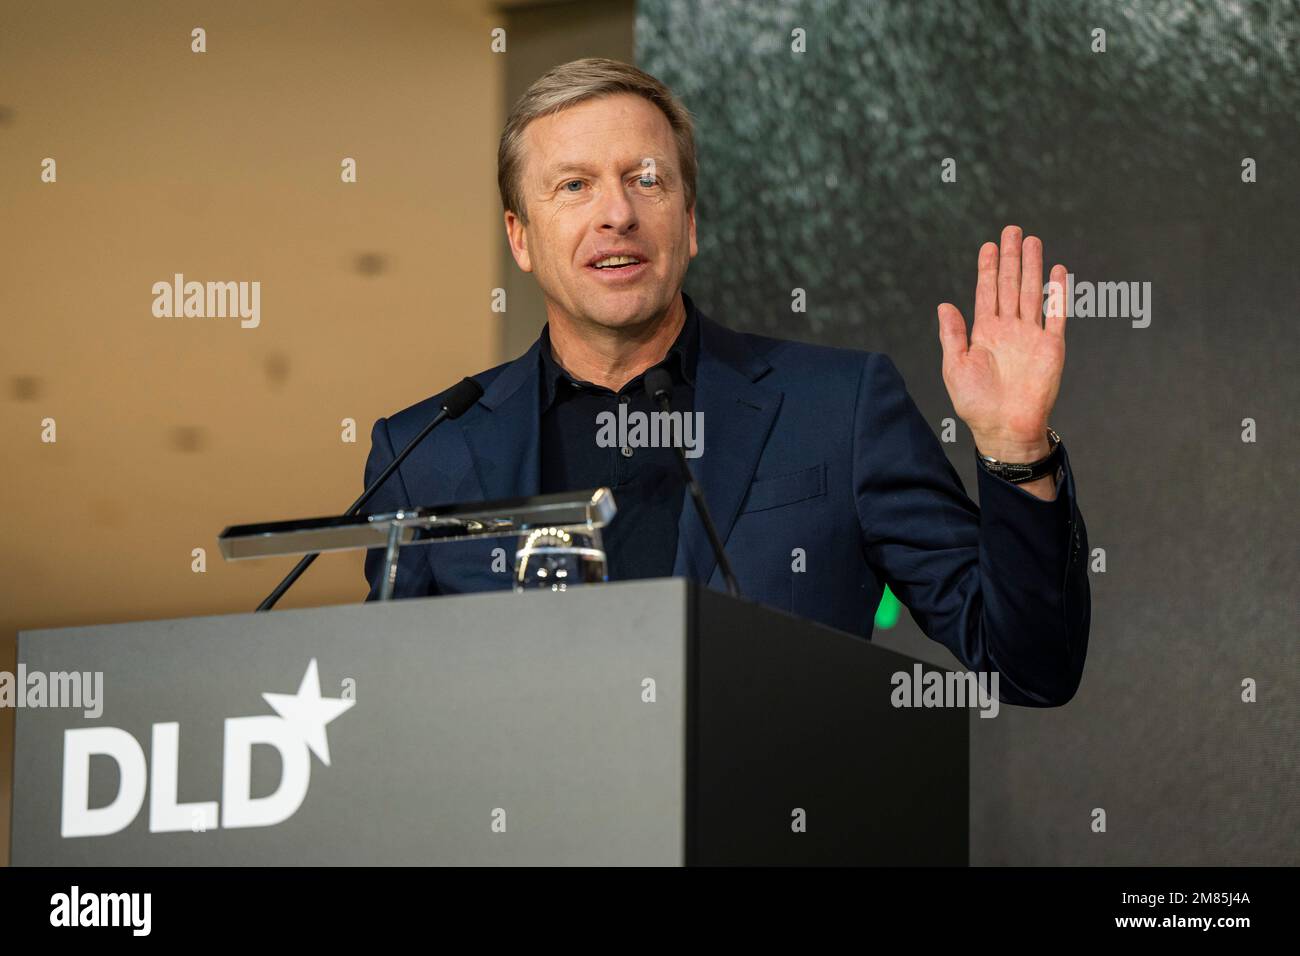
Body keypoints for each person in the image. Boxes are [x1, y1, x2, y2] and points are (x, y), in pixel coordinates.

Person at [363, 58, 1089, 706]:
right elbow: (387, 710)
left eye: (646, 179)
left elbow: (1027, 667)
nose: (616, 213)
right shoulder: (427, 452)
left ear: (689, 221)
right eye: (574, 185)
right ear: (520, 237)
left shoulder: (837, 409)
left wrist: (1016, 450)